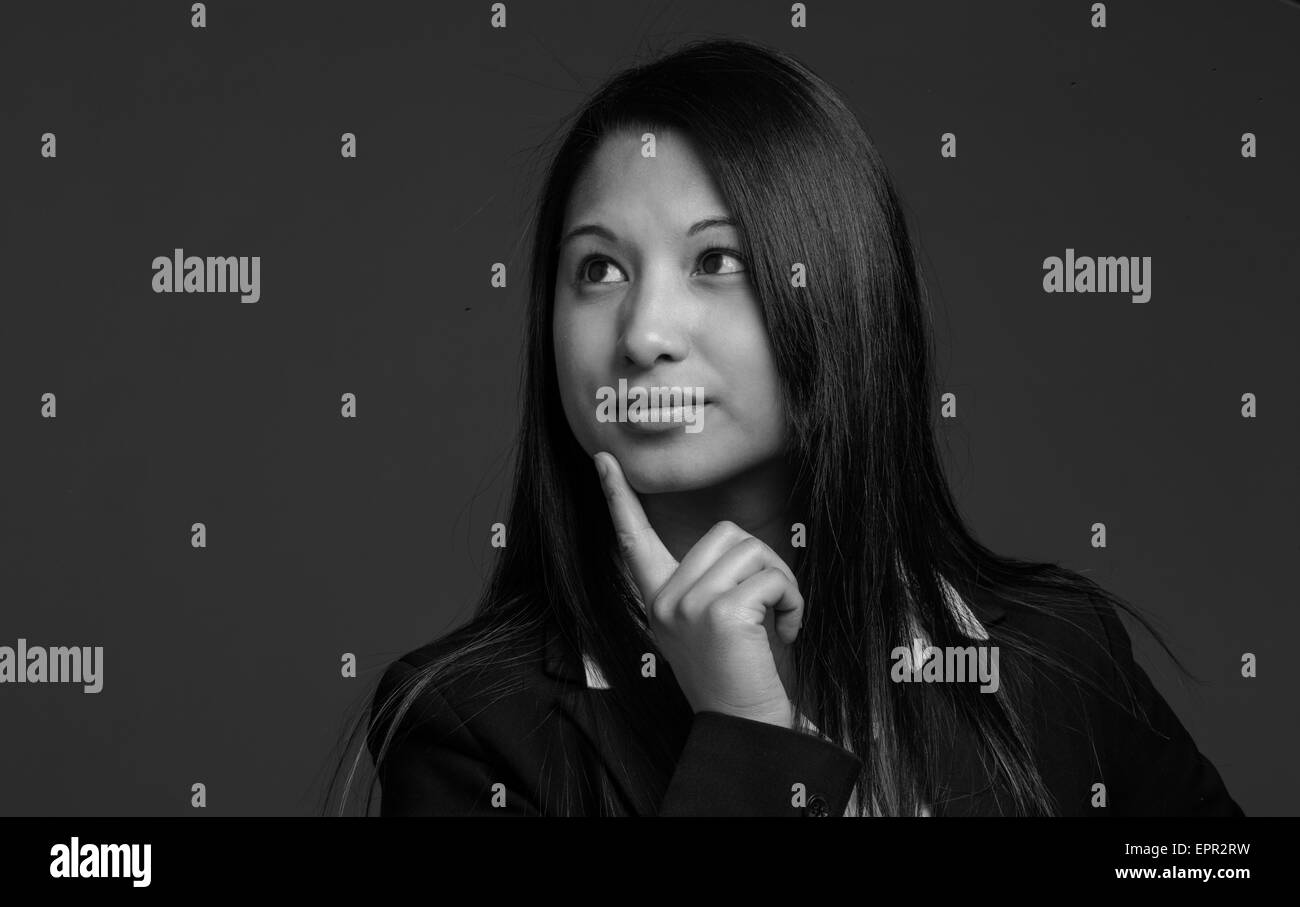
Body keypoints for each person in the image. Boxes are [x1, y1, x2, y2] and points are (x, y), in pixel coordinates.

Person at [331, 37, 1243, 817]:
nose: (644, 334)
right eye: (599, 269)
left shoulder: (1051, 650)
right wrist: (746, 741)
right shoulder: (471, 724)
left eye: (715, 259)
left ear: (837, 298)